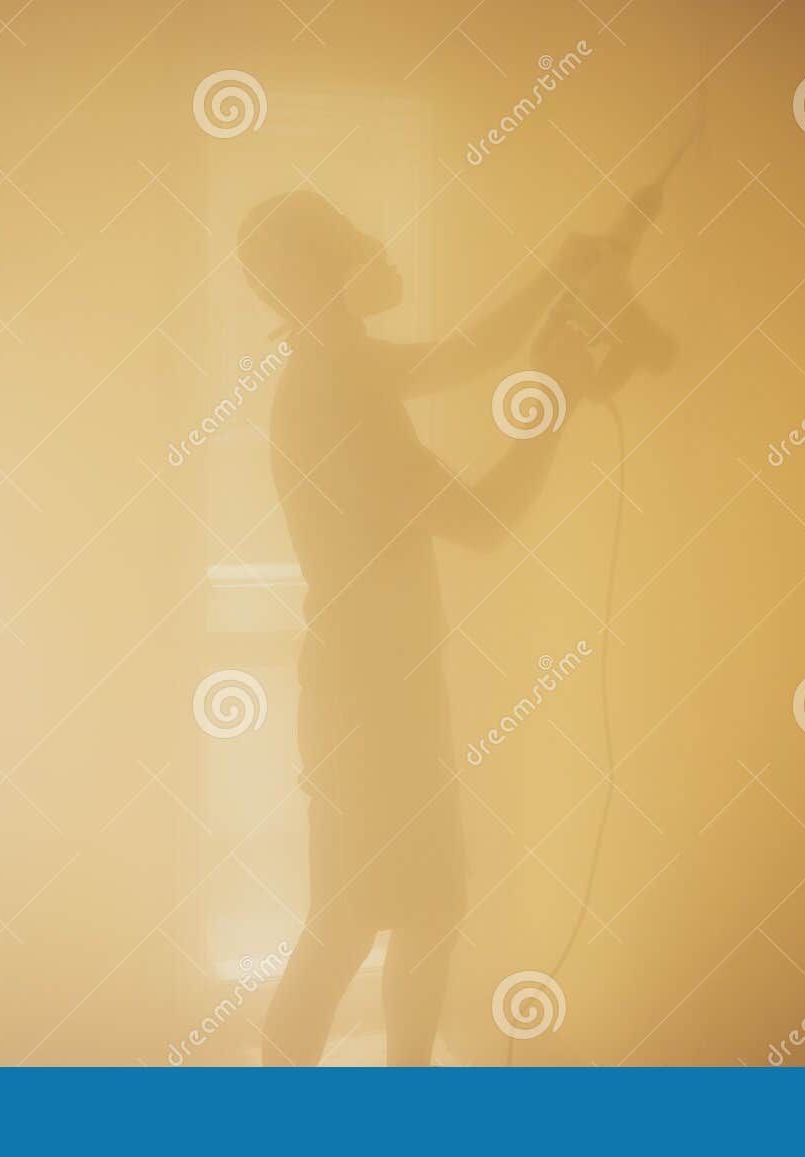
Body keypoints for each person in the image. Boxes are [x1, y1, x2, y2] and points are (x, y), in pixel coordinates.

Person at [240, 191, 654, 1065]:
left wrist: (558, 272)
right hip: (371, 705)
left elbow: (468, 353)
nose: (376, 249)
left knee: (408, 915)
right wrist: (556, 395)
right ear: (321, 274)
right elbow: (483, 520)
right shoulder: (340, 399)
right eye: (352, 241)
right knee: (358, 922)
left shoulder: (337, 370)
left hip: (373, 694)